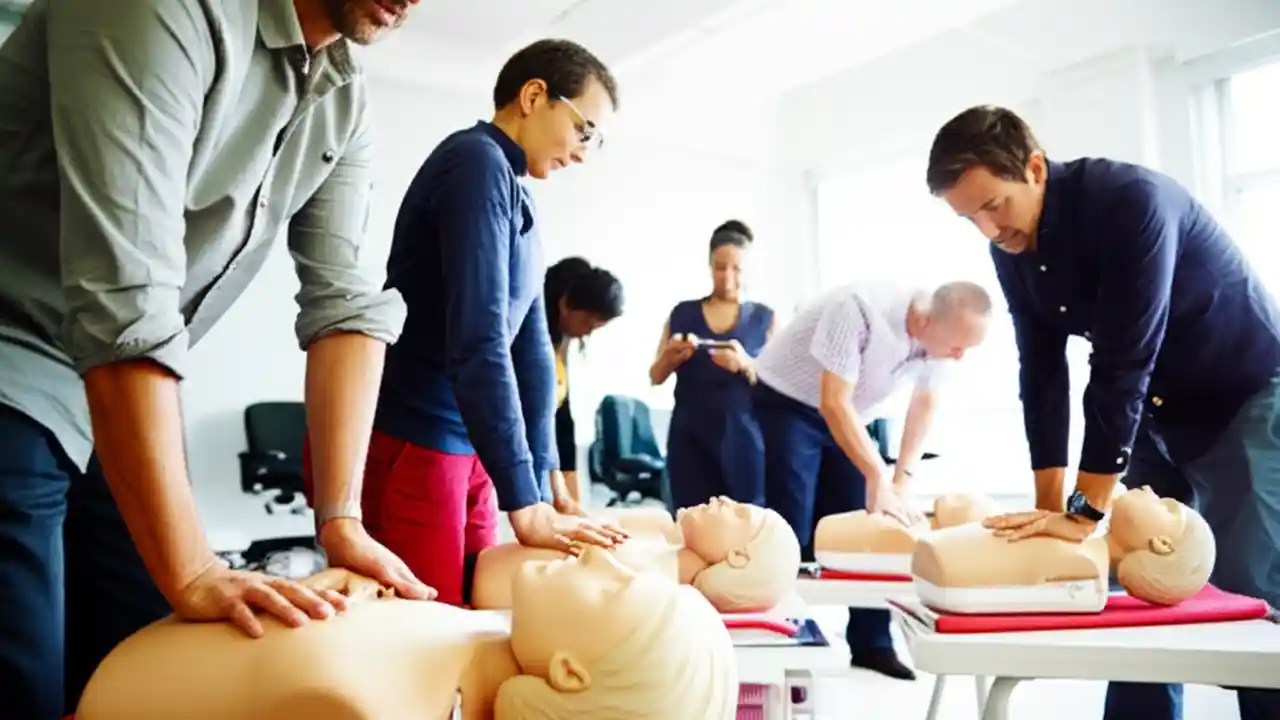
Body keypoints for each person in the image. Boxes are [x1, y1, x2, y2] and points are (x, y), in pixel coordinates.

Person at [0, 1, 431, 717]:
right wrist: (194, 567)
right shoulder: (162, 10)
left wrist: (341, 521)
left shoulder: (341, 96)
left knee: (153, 670)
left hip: (95, 389)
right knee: (30, 684)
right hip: (16, 365)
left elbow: (347, 310)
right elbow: (125, 298)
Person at [925, 104, 1280, 720]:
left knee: (1248, 590)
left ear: (1034, 168)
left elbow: (1122, 363)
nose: (988, 230)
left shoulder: (1129, 203)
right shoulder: (1010, 246)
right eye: (968, 218)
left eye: (994, 205)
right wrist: (1048, 509)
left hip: (1242, 391)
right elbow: (1040, 372)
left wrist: (1085, 507)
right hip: (1154, 410)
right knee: (1141, 585)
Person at [320, 39, 627, 611]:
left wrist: (543, 480)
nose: (585, 153)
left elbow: (532, 353)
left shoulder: (519, 194)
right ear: (535, 96)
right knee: (423, 632)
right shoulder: (475, 163)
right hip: (420, 440)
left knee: (475, 618)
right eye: (585, 130)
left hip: (474, 449)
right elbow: (479, 342)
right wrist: (523, 497)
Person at [74, 546, 738, 720]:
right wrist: (359, 597)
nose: (601, 556)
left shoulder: (361, 711)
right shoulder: (489, 638)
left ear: (568, 673)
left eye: (615, 584)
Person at [753, 281, 992, 679]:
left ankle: (872, 644)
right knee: (793, 521)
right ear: (924, 321)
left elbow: (925, 401)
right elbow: (832, 401)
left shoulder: (939, 341)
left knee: (868, 525)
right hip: (788, 401)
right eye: (957, 347)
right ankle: (783, 632)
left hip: (852, 410)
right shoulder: (857, 310)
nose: (960, 357)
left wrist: (899, 480)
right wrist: (876, 473)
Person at [472, 496, 802, 613]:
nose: (724, 499)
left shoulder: (641, 581)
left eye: (739, 513)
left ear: (738, 557)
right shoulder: (653, 541)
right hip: (473, 558)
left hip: (461, 586)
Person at [649, 220, 776, 510]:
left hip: (742, 437)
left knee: (745, 521)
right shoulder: (682, 313)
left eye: (737, 269)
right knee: (691, 520)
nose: (727, 277)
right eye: (720, 267)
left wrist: (746, 364)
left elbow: (778, 387)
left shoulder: (765, 318)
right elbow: (655, 376)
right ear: (709, 266)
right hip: (689, 436)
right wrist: (671, 357)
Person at [543, 257, 625, 512]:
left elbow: (562, 418)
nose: (588, 333)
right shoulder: (534, 344)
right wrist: (561, 495)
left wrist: (574, 501)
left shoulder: (561, 344)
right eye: (589, 323)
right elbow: (542, 422)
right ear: (566, 304)